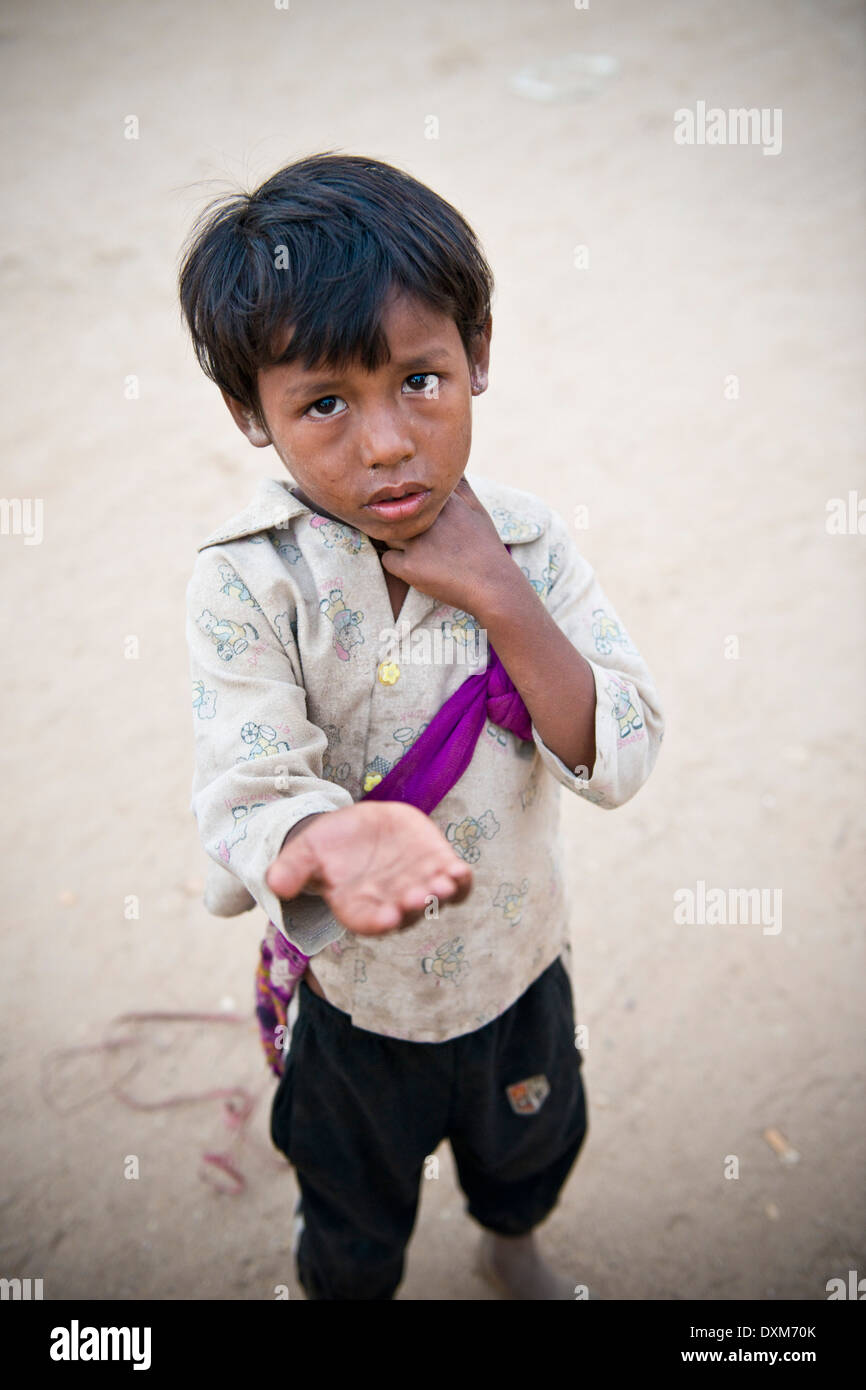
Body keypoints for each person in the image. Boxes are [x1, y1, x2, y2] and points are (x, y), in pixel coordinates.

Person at [179, 152, 664, 1300]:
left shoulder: (532, 545)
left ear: (477, 355)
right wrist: (320, 842)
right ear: (253, 413)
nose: (388, 441)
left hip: (515, 966)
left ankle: (509, 1240)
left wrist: (500, 593)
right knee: (350, 1213)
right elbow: (245, 782)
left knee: (530, 1148)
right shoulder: (248, 585)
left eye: (419, 381)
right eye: (325, 403)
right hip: (353, 1002)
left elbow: (624, 749)